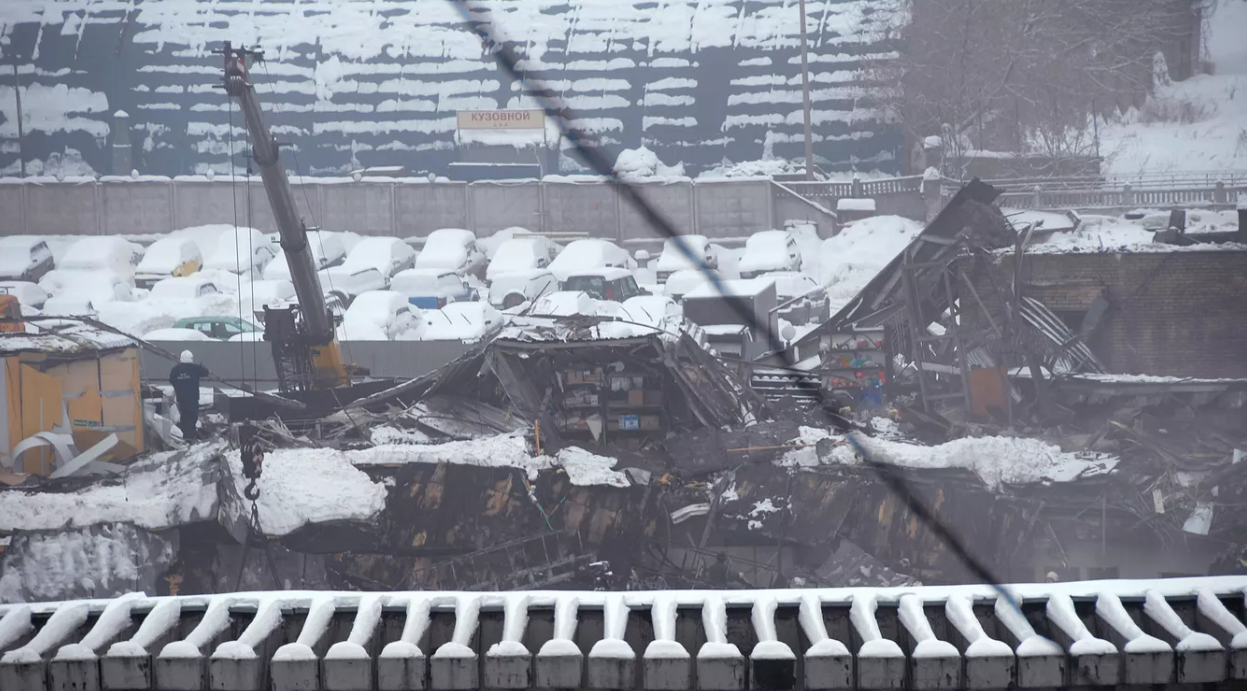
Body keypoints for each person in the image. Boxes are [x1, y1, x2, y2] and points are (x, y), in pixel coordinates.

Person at [169, 350, 209, 441]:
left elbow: (171, 380)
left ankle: (185, 435)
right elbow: (206, 372)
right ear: (191, 358)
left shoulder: (175, 369)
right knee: (192, 417)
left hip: (181, 399)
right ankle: (190, 437)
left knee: (184, 417)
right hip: (193, 399)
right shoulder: (195, 368)